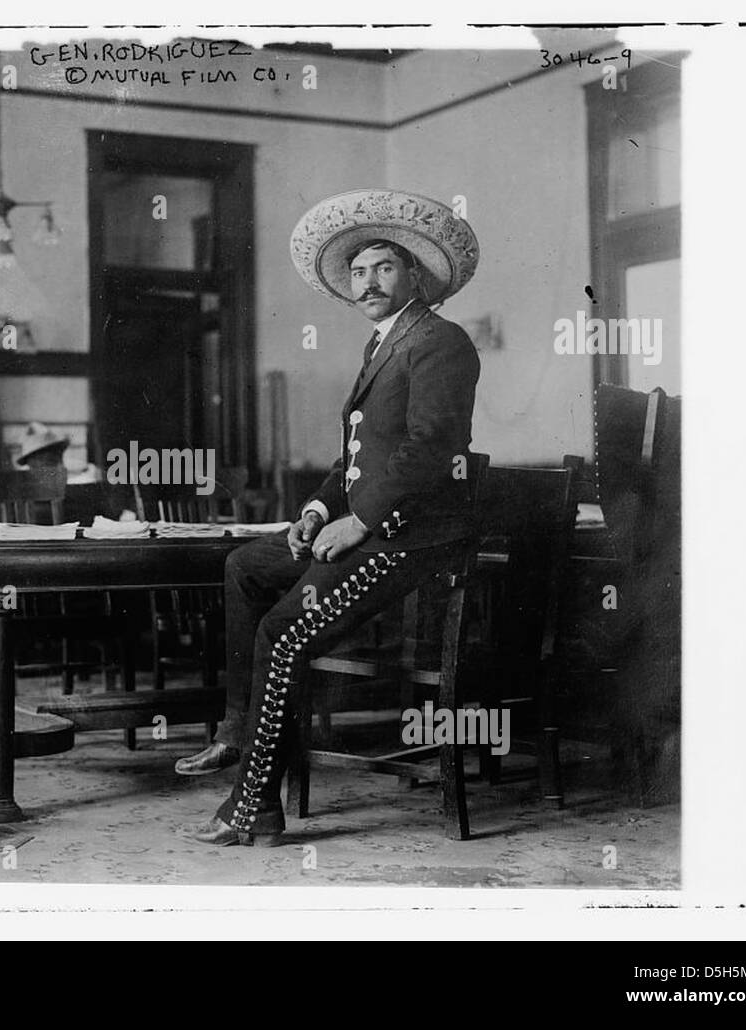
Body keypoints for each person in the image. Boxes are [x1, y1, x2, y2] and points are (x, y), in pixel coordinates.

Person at [177, 188, 483, 846]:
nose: (368, 281)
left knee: (284, 632)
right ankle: (237, 730)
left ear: (415, 276)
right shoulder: (385, 343)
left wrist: (363, 520)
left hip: (411, 539)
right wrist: (320, 507)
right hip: (375, 525)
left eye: (384, 268)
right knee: (246, 567)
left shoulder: (440, 342)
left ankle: (254, 803)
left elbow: (431, 450)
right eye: (358, 271)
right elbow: (361, 454)